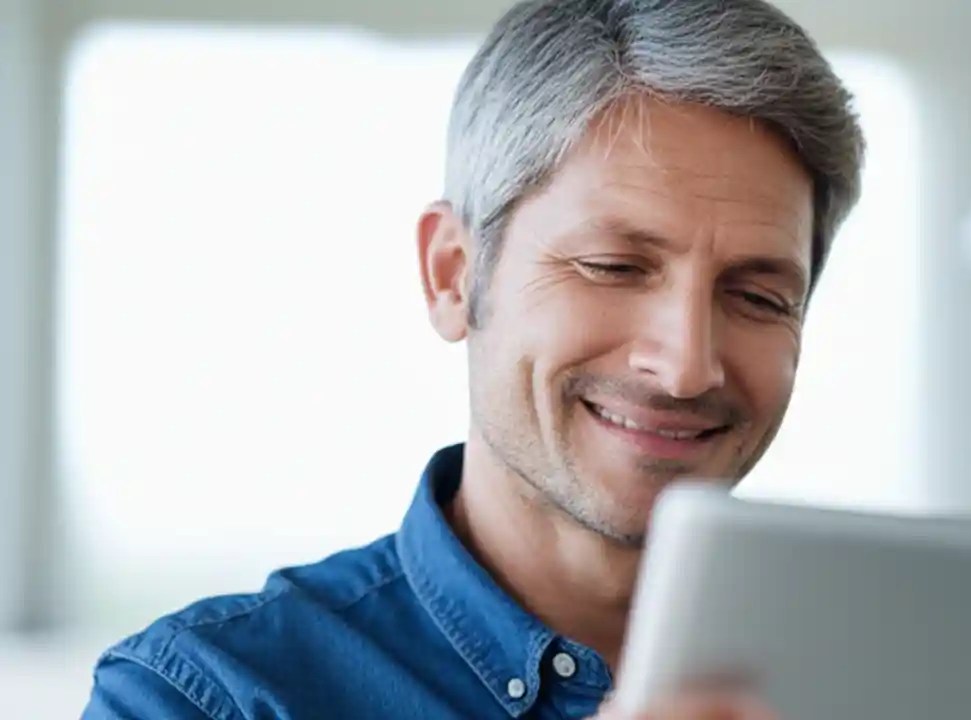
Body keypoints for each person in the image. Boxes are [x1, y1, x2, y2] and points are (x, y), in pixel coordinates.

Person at [81, 0, 864, 717]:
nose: (687, 366)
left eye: (758, 297)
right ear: (454, 274)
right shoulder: (197, 696)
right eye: (613, 267)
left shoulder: (889, 677)